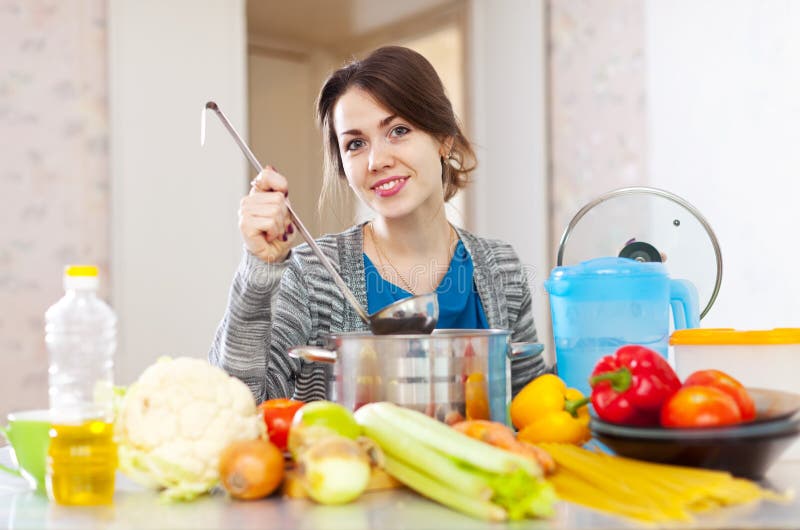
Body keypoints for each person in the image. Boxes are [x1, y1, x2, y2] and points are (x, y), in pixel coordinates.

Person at [209, 46, 540, 404]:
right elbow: (237, 401)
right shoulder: (312, 275)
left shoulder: (502, 268)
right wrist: (259, 269)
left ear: (444, 138)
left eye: (398, 130)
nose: (377, 161)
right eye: (355, 144)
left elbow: (533, 407)